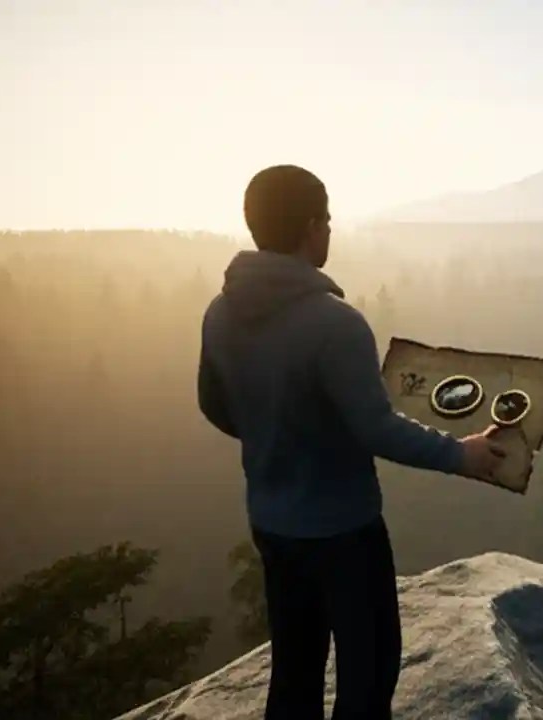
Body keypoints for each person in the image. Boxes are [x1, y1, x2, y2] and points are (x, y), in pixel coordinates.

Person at [196, 164, 506, 719]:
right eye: (328, 220)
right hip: (344, 530)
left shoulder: (220, 314)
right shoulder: (334, 323)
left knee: (295, 669)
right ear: (311, 226)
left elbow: (214, 405)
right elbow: (377, 428)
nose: (331, 231)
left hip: (272, 523)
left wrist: (274, 435)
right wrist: (463, 454)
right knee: (369, 671)